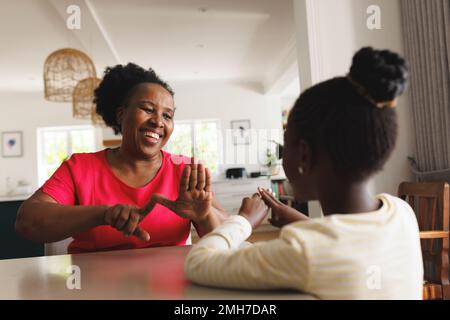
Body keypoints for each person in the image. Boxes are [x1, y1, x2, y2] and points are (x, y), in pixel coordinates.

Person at [182, 47, 423, 299]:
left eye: (286, 144)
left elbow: (198, 262)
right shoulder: (402, 212)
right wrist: (298, 220)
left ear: (304, 156)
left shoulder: (305, 251)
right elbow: (349, 243)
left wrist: (244, 220)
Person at [15, 63, 227, 253]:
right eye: (147, 109)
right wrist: (103, 214)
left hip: (171, 289)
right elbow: (27, 222)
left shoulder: (185, 170)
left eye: (167, 115)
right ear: (121, 115)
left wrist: (205, 215)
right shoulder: (81, 167)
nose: (158, 121)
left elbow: (230, 237)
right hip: (93, 288)